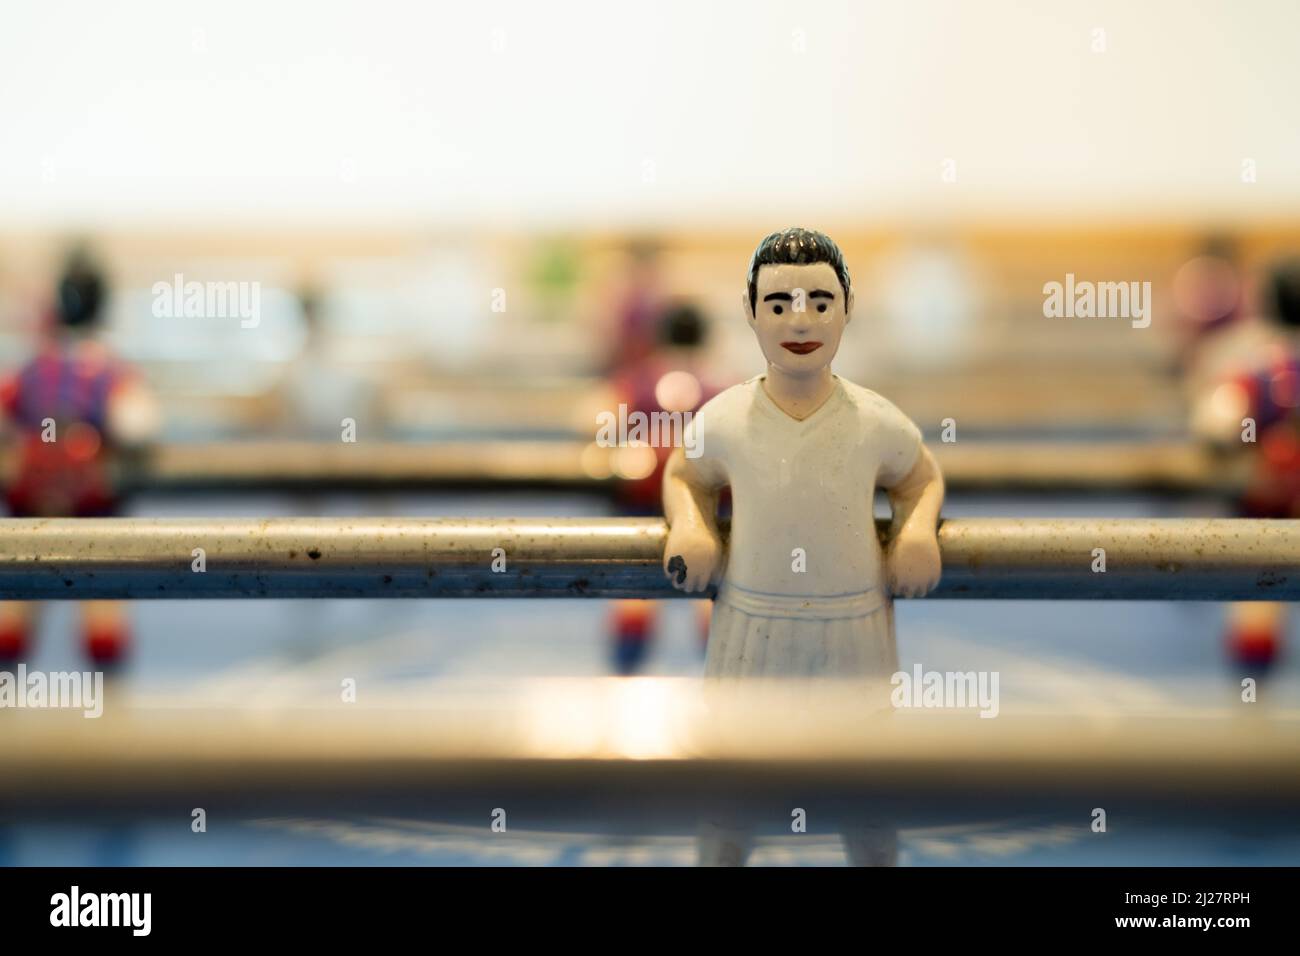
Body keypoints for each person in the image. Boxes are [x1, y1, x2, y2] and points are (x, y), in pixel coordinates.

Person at [661, 228, 944, 866]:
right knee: (728, 809)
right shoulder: (724, 419)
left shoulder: (875, 420)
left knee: (868, 810)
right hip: (749, 633)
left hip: (854, 635)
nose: (801, 319)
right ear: (749, 311)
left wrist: (917, 531)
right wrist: (692, 527)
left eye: (820, 300)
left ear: (848, 308)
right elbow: (684, 476)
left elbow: (920, 477)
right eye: (780, 302)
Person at [0, 246, 159, 668]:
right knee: (101, 606)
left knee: (14, 604)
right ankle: (104, 709)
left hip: (30, 512)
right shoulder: (111, 371)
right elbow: (136, 425)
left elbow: (4, 413)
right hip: (93, 512)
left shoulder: (33, 368)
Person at [1188, 258, 1300, 677]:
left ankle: (1254, 702)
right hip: (1274, 503)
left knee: (1257, 599)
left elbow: (1216, 423)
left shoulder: (1256, 366)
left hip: (1267, 508)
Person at [606, 302, 720, 674]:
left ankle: (624, 681)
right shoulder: (723, 385)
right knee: (711, 595)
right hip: (706, 505)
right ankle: (726, 693)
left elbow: (593, 420)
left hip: (644, 502)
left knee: (635, 595)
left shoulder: (637, 379)